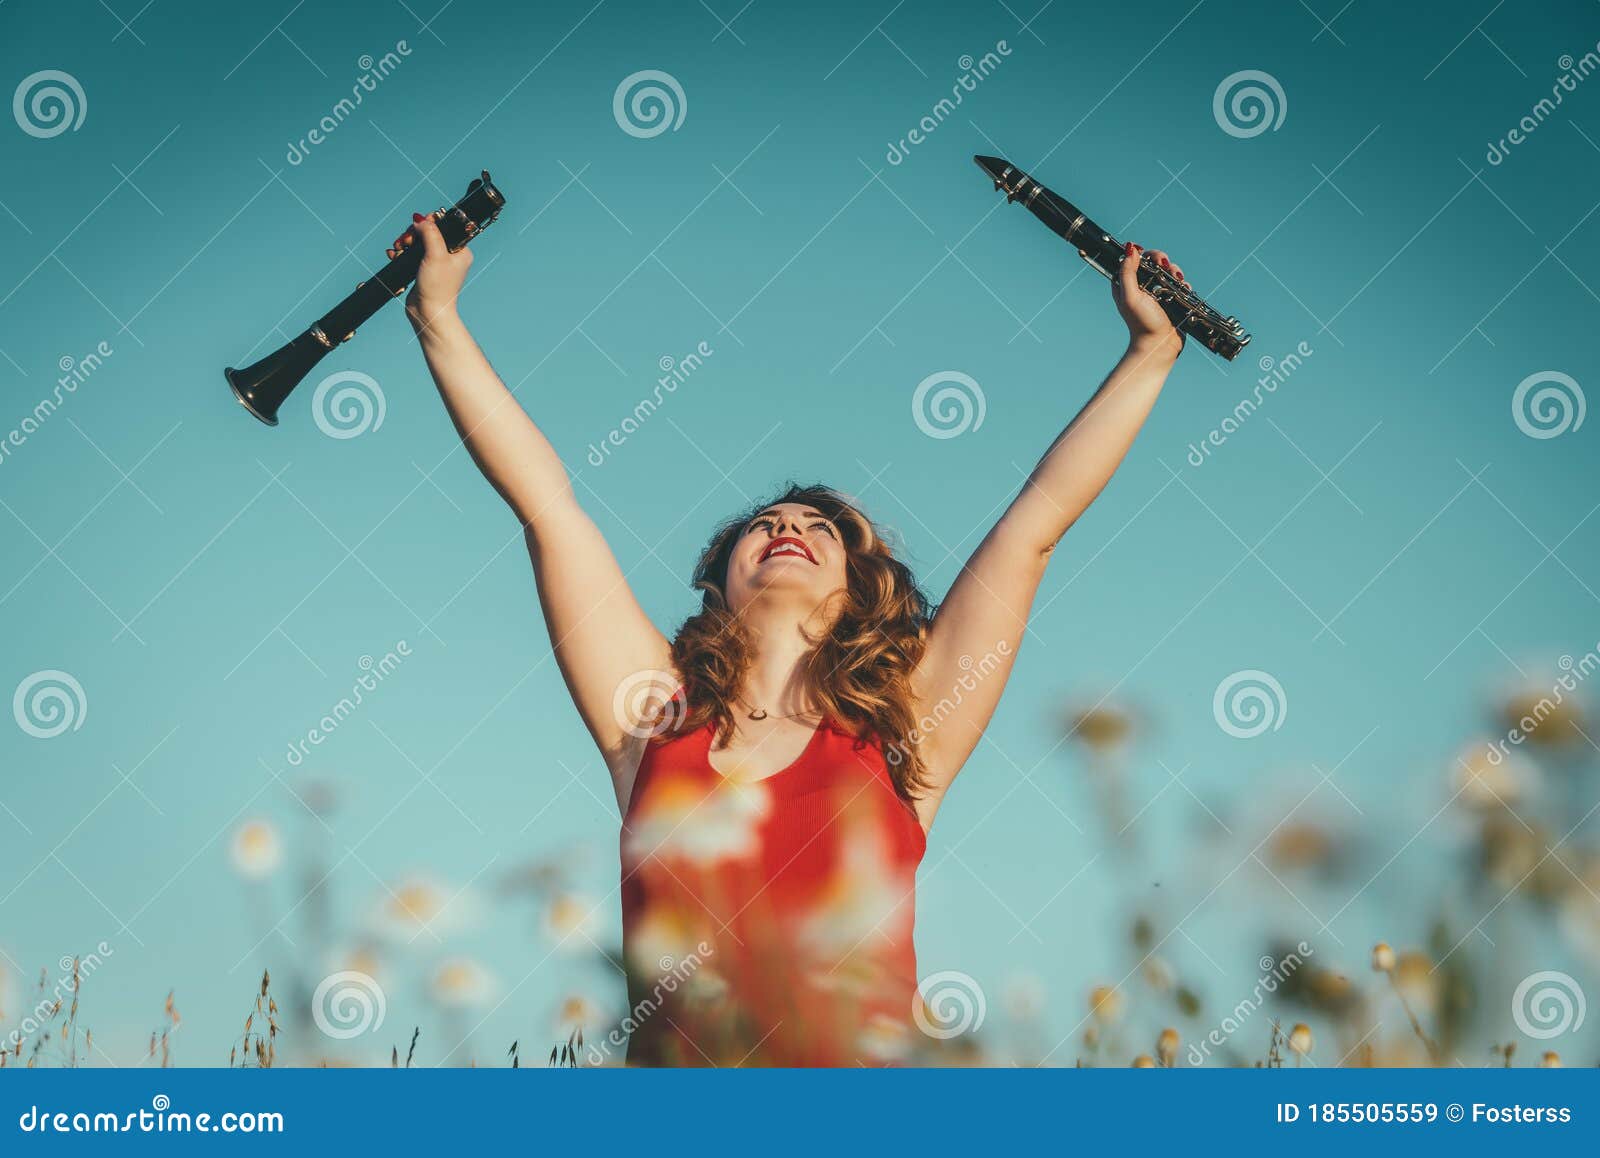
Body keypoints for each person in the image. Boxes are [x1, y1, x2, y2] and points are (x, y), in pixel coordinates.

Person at [390, 210, 1189, 1065]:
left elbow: (1035, 525)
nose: (787, 527)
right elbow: (547, 508)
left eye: (819, 528)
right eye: (763, 523)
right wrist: (438, 317)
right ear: (721, 581)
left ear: (859, 588)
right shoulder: (653, 716)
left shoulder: (907, 727)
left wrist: (1151, 352)